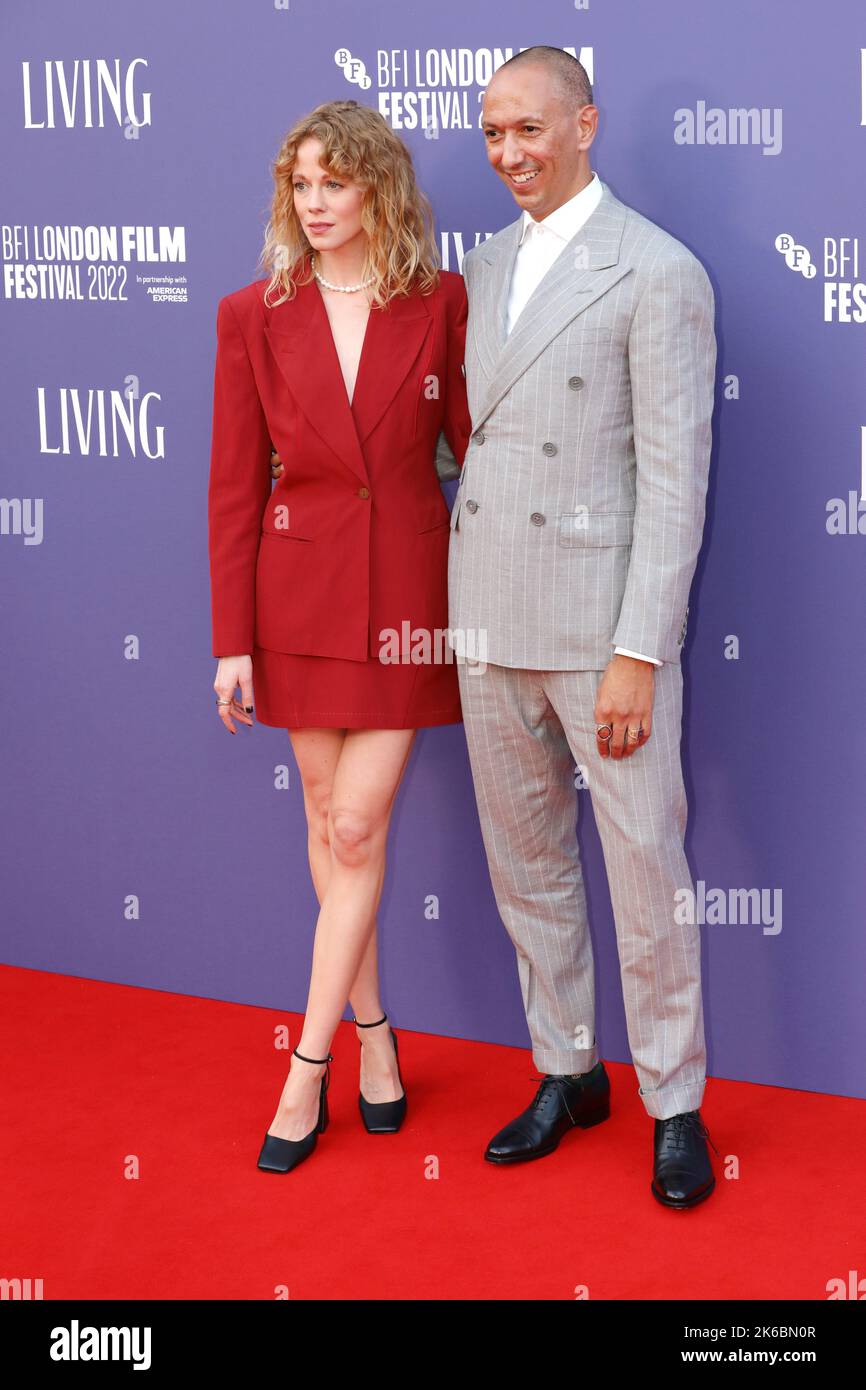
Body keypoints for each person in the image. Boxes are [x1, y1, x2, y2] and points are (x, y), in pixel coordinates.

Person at [448, 48, 719, 1207]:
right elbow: (475, 446)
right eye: (492, 134)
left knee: (643, 870)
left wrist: (636, 649)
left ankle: (672, 1099)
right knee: (527, 871)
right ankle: (566, 1067)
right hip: (487, 619)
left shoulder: (656, 271)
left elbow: (673, 481)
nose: (510, 153)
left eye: (528, 129)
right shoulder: (481, 263)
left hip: (598, 632)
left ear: (585, 123)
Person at [207, 99, 471, 1174]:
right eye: (300, 185)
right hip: (297, 602)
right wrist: (232, 638)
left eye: (335, 183)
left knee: (355, 829)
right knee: (325, 817)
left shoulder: (440, 301)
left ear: (376, 189)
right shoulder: (248, 314)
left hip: (409, 595)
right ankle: (375, 1038)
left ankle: (302, 1066)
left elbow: (473, 453)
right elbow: (231, 489)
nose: (315, 204)